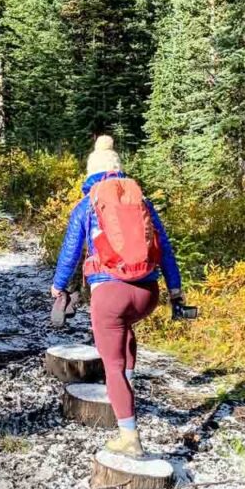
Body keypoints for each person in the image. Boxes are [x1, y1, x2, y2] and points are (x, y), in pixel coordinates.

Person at [51, 135, 184, 457]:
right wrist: (176, 290)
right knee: (126, 334)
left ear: (90, 174)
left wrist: (58, 286)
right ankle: (127, 388)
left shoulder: (87, 205)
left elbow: (71, 250)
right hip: (147, 294)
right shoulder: (143, 203)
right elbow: (165, 249)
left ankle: (129, 438)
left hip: (110, 295)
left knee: (110, 363)